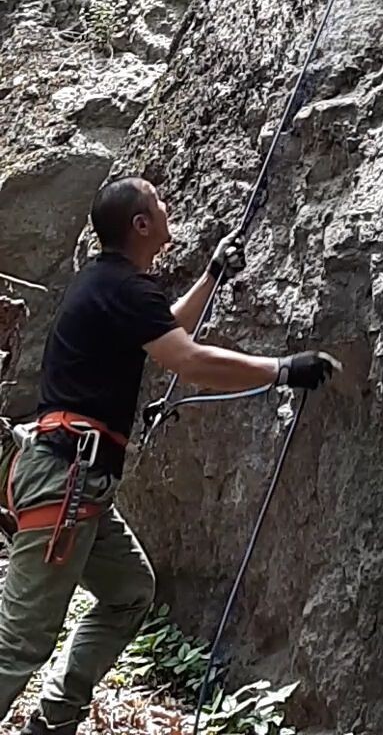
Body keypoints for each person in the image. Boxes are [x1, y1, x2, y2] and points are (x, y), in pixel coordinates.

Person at [0, 174, 336, 735]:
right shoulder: (123, 289)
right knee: (20, 643)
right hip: (64, 480)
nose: (167, 206)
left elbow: (164, 331)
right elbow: (189, 360)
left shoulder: (110, 286)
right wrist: (282, 369)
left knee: (129, 592)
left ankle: (55, 720)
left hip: (74, 479)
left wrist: (212, 276)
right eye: (158, 203)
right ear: (140, 224)